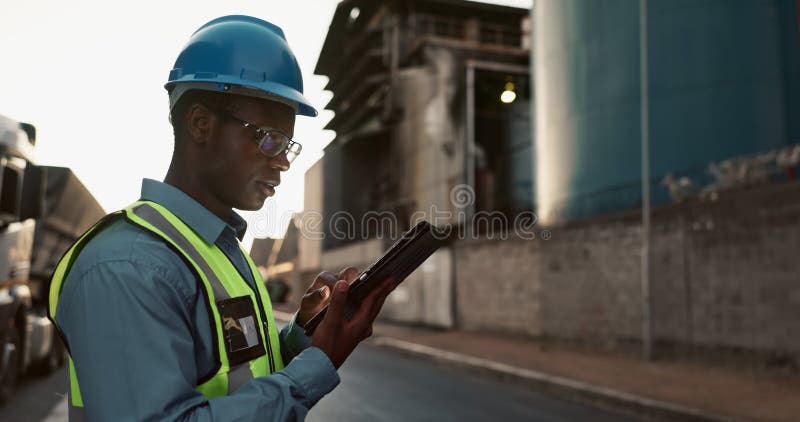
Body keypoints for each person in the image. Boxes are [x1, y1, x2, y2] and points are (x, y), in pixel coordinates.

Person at [48, 15, 393, 421]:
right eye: (268, 138)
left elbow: (243, 371)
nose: (283, 161)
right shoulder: (127, 267)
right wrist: (315, 369)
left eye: (288, 145)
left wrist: (304, 336)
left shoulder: (221, 252)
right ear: (200, 124)